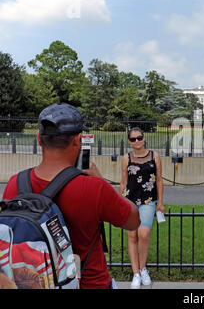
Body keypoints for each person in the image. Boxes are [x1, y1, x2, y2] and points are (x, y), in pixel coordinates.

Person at [2, 103, 140, 289]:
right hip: (90, 283)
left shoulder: (15, 183)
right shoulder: (93, 187)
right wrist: (99, 178)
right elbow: (133, 220)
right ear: (77, 140)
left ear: (39, 138)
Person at [120, 127, 165, 289]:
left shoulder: (155, 156)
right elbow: (123, 182)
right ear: (129, 142)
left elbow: (159, 180)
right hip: (130, 201)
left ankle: (143, 267)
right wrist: (121, 201)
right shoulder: (126, 158)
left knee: (143, 234)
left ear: (144, 138)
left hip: (148, 200)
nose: (137, 141)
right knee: (132, 236)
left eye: (139, 138)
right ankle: (136, 273)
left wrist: (160, 202)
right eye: (133, 139)